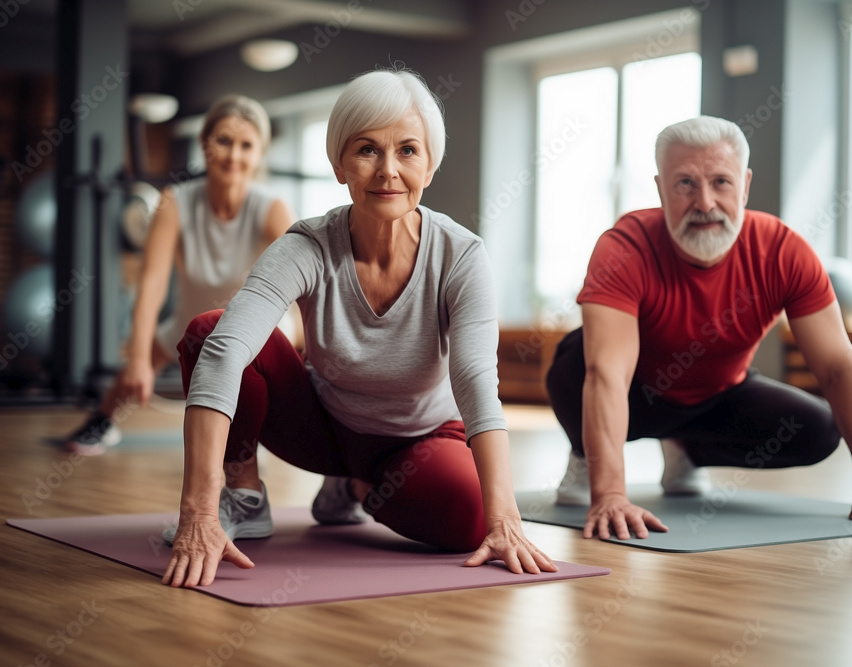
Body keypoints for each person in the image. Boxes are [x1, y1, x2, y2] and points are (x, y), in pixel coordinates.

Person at [161, 69, 557, 588]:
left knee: (471, 519)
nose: (388, 171)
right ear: (339, 164)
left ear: (430, 165)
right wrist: (197, 511)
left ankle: (354, 488)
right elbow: (225, 349)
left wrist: (506, 521)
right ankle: (245, 496)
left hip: (417, 440)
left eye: (408, 151)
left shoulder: (461, 255)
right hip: (323, 428)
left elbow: (476, 380)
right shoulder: (308, 245)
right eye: (367, 149)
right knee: (208, 331)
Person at [545, 116, 852, 541]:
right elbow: (607, 374)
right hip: (634, 393)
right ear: (660, 189)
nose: (705, 202)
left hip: (715, 394)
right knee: (577, 365)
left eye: (721, 182)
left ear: (745, 185)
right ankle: (586, 453)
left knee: (818, 430)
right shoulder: (625, 246)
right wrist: (610, 495)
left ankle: (685, 447)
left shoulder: (783, 251)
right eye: (685, 184)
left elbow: (840, 367)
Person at [64, 95, 295, 454]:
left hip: (257, 326)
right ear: (204, 143)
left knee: (271, 373)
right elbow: (152, 283)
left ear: (259, 153)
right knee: (136, 364)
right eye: (224, 141)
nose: (233, 155)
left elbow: (301, 281)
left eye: (246, 146)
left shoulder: (271, 208)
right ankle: (102, 422)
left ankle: (251, 440)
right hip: (192, 319)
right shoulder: (174, 201)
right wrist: (138, 359)